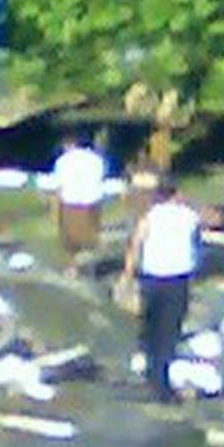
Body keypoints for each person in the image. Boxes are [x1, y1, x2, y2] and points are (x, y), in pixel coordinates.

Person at [128, 171, 205, 394]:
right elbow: (213, 221)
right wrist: (190, 201)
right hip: (177, 278)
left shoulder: (150, 216)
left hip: (151, 276)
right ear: (177, 193)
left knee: (150, 324)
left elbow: (136, 245)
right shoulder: (188, 215)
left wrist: (127, 275)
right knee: (170, 329)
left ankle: (149, 368)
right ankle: (161, 377)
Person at [49, 137, 115, 261]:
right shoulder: (96, 159)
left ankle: (73, 267)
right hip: (92, 202)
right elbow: (101, 178)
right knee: (91, 235)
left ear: (69, 144)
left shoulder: (63, 161)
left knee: (70, 240)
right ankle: (91, 264)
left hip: (71, 202)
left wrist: (55, 210)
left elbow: (58, 186)